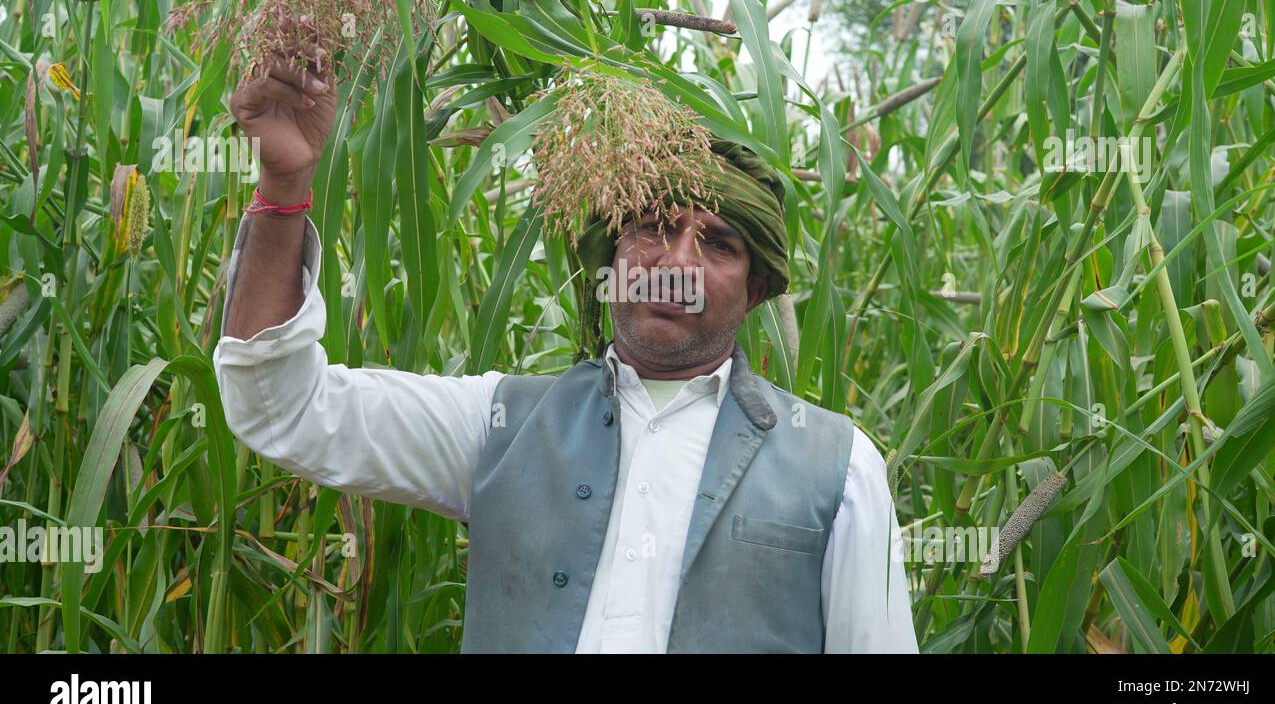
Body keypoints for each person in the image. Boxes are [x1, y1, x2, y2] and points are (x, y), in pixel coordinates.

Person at [214, 57, 919, 653]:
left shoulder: (839, 466)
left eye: (718, 243)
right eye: (652, 227)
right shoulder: (498, 425)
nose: (676, 263)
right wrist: (285, 188)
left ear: (757, 286)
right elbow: (285, 408)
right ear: (606, 257)